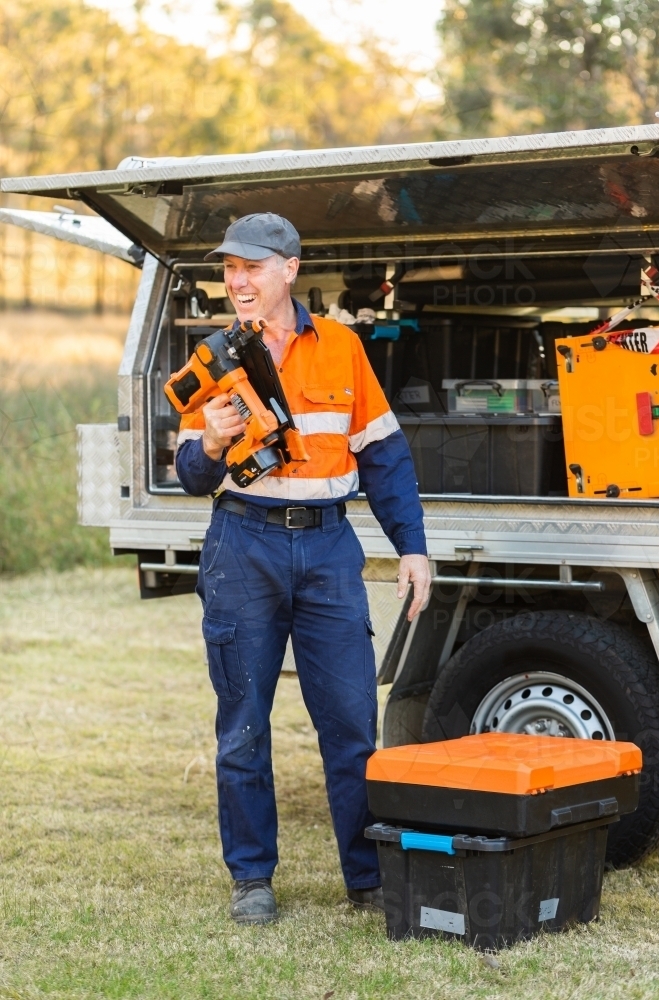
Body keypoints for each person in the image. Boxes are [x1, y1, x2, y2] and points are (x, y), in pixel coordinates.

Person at [175, 212, 430, 925]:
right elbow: (190, 473)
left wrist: (410, 545)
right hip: (242, 547)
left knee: (351, 724)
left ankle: (366, 877)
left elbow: (381, 454)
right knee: (244, 726)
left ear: (289, 269)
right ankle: (251, 878)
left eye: (251, 267)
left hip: (326, 550)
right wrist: (215, 442)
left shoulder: (343, 347)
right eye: (229, 268)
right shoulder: (214, 357)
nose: (237, 280)